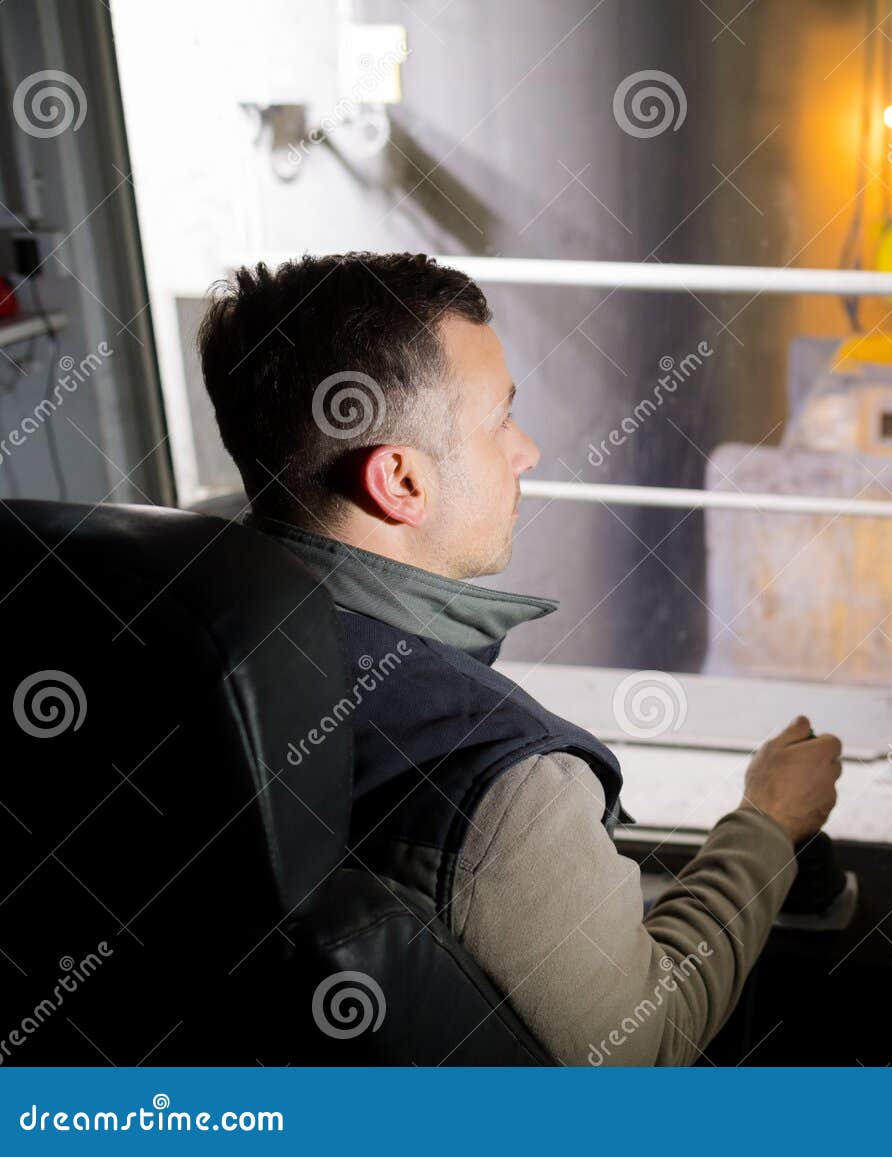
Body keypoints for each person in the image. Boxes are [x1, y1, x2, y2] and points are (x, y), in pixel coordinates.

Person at [196, 251, 843, 1064]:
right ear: (400, 480)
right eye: (501, 419)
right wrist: (769, 822)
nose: (527, 450)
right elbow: (642, 1047)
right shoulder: (510, 785)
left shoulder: (171, 628)